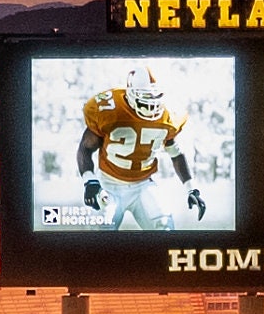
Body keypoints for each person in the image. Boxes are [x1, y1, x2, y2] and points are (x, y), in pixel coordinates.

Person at [76, 68, 205, 231]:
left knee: (165, 227)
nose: (152, 104)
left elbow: (175, 153)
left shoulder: (169, 115)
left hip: (143, 185)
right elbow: (85, 148)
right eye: (146, 97)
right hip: (108, 183)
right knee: (100, 232)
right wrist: (90, 181)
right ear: (131, 94)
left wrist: (192, 188)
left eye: (156, 97)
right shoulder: (109, 109)